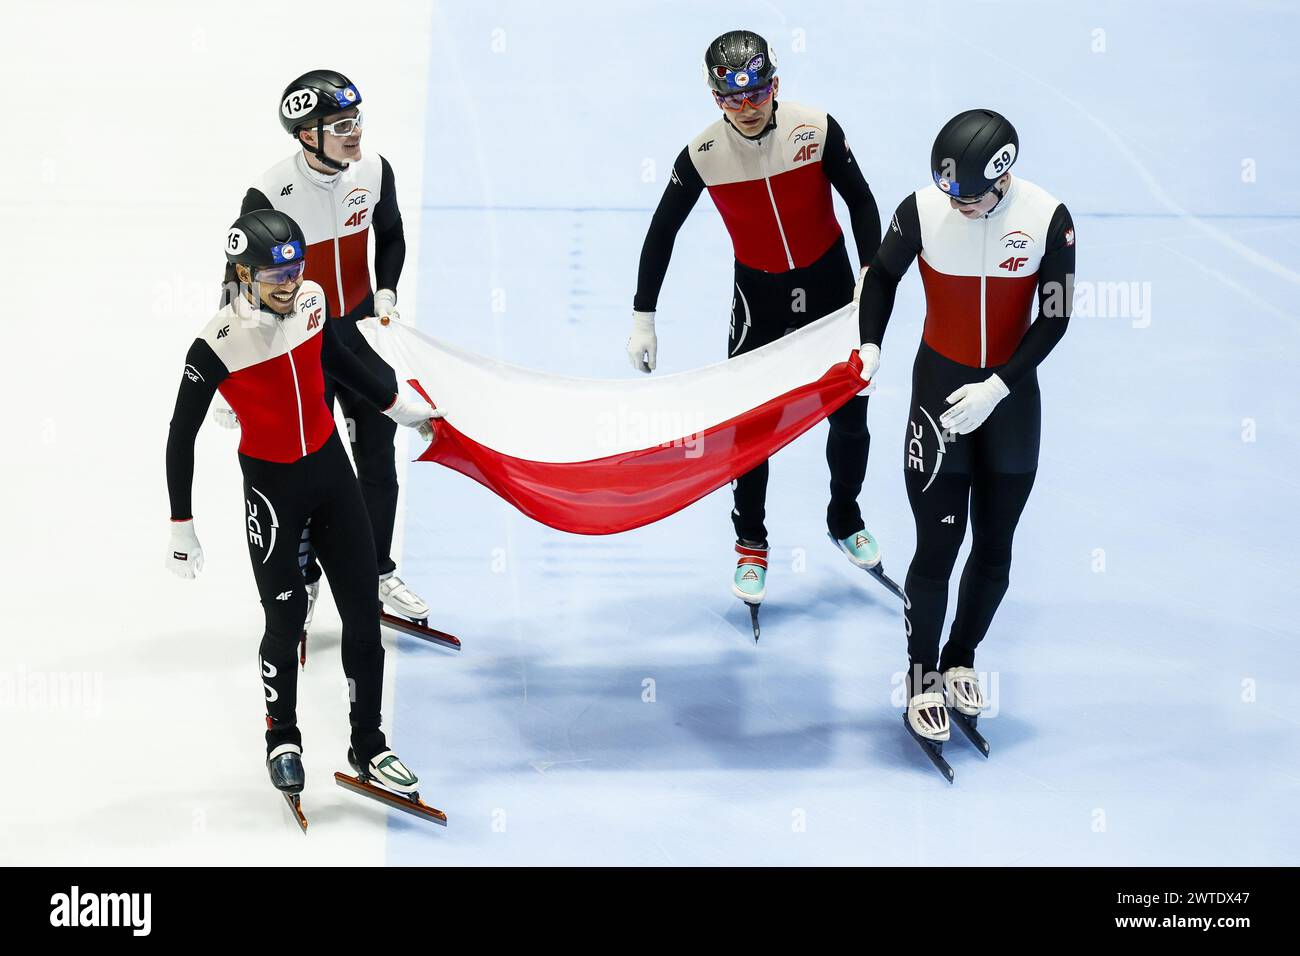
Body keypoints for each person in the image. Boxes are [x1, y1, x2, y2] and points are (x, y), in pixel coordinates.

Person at [167, 208, 438, 800]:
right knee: (285, 621)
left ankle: (370, 745)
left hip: (331, 473)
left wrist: (397, 404)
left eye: (295, 270)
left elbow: (340, 357)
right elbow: (179, 434)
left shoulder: (312, 298)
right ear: (243, 275)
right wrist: (181, 524)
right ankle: (282, 736)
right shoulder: (217, 341)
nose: (290, 285)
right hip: (273, 491)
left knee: (363, 616)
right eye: (274, 277)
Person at [627, 29, 884, 614]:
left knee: (849, 416)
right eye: (730, 100)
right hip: (759, 296)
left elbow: (863, 201)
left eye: (757, 95)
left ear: (775, 85)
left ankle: (844, 516)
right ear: (715, 98)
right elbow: (661, 233)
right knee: (752, 428)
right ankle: (751, 543)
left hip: (830, 289)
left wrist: (870, 270)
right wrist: (644, 315)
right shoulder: (702, 156)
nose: (746, 110)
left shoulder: (815, 129)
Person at [855, 109, 1076, 752]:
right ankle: (922, 676)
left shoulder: (1047, 218)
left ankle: (959, 658)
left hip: (1009, 400)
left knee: (996, 542)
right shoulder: (924, 209)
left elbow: (1055, 315)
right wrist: (869, 346)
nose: (959, 204)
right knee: (937, 545)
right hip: (938, 397)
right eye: (949, 191)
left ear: (1003, 179)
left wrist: (1000, 385)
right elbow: (882, 277)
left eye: (971, 196)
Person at [216, 68, 427, 637]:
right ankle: (307, 582)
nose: (354, 133)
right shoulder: (268, 190)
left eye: (357, 119)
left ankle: (378, 570)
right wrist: (231, 376)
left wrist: (386, 288)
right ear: (307, 135)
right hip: (300, 348)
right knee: (308, 470)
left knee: (378, 459)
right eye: (340, 124)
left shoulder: (375, 170)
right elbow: (237, 282)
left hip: (359, 338)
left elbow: (393, 232)